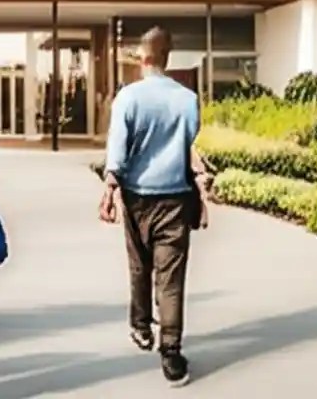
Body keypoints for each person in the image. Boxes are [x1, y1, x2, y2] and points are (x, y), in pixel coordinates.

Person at [98, 27, 209, 388]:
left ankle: (141, 326)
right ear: (168, 57)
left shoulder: (128, 98)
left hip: (135, 196)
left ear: (142, 58)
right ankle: (172, 352)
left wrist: (109, 187)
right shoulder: (188, 99)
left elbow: (117, 147)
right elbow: (188, 141)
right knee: (171, 277)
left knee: (138, 265)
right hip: (175, 195)